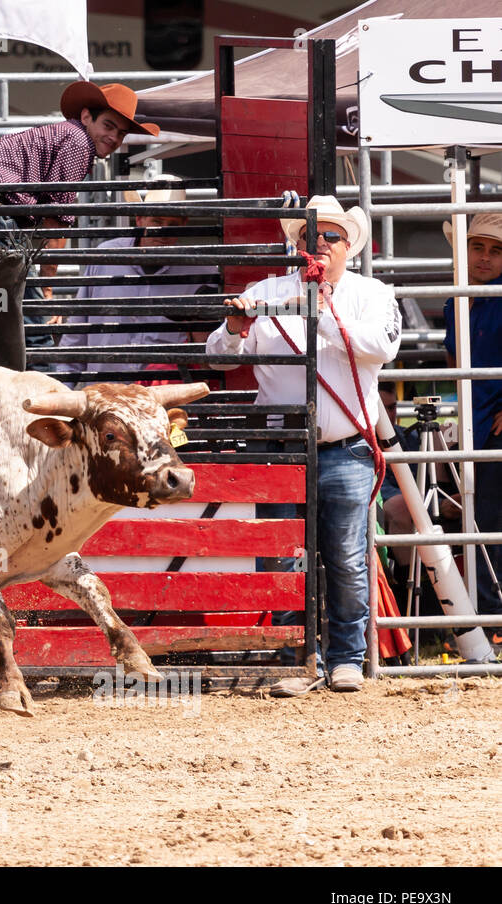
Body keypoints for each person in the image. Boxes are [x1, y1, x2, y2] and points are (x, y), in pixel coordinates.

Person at [206, 195, 402, 696]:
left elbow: (382, 346)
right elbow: (219, 358)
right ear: (295, 243)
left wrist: (322, 313)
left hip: (345, 446)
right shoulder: (265, 290)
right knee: (283, 557)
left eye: (331, 236)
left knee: (346, 557)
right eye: (310, 236)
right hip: (284, 444)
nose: (319, 244)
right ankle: (297, 655)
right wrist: (234, 327)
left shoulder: (372, 293)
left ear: (348, 246)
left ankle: (344, 659)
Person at [0, 82, 160, 361]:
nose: (113, 138)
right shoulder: (78, 142)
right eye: (109, 126)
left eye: (121, 133)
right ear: (87, 116)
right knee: (29, 317)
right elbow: (56, 221)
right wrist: (48, 291)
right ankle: (39, 384)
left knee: (3, 309)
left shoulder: (68, 135)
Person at [53, 175, 217, 386]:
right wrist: (62, 392)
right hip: (106, 393)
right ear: (140, 219)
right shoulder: (105, 258)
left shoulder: (201, 272)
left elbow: (209, 345)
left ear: (183, 225)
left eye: (172, 224)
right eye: (157, 221)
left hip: (162, 397)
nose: (163, 231)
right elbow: (76, 335)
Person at [442, 212, 502, 638]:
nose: (485, 257)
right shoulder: (456, 302)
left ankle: (494, 618)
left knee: (491, 520)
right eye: (478, 247)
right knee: (484, 519)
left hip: (492, 422)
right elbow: (453, 361)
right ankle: (492, 618)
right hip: (477, 423)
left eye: (497, 250)